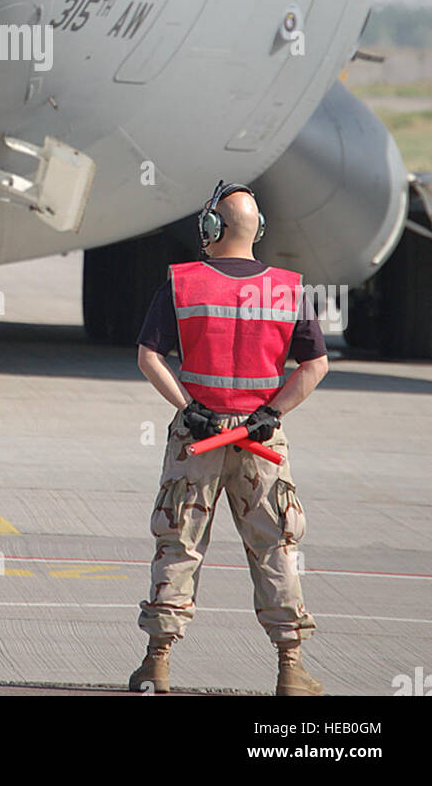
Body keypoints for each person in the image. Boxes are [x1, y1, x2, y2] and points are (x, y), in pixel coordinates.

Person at [129, 180, 329, 696]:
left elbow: (149, 357)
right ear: (257, 230)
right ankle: (291, 668)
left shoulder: (182, 282)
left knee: (179, 543)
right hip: (260, 443)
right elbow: (315, 365)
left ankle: (158, 662)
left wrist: (188, 409)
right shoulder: (288, 288)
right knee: (275, 548)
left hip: (197, 438)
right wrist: (270, 414)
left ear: (211, 228)